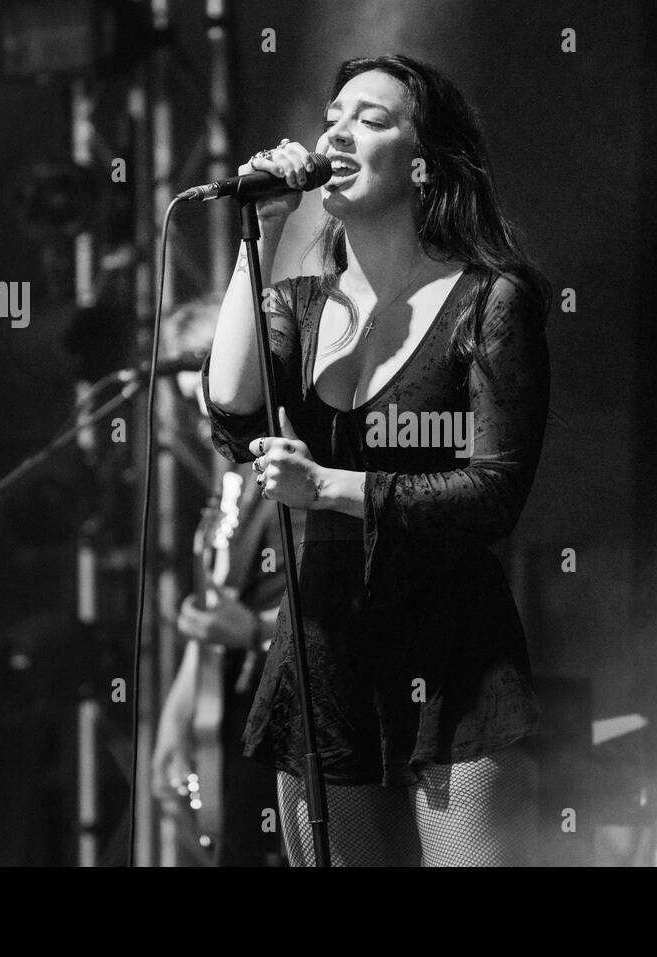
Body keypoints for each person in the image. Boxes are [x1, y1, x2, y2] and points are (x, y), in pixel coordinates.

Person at [201, 54, 553, 866]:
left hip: (452, 644)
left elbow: (494, 492)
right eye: (333, 115)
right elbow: (230, 402)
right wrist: (261, 226)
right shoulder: (296, 303)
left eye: (370, 117)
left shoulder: (490, 300)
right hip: (323, 645)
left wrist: (328, 484)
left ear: (423, 161)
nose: (336, 130)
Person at [150, 297, 305, 866]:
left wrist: (257, 630)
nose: (201, 398)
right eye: (189, 382)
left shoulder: (290, 460)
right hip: (238, 724)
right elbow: (216, 622)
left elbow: (352, 595)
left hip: (301, 719)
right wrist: (175, 718)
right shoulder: (226, 489)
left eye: (211, 374)